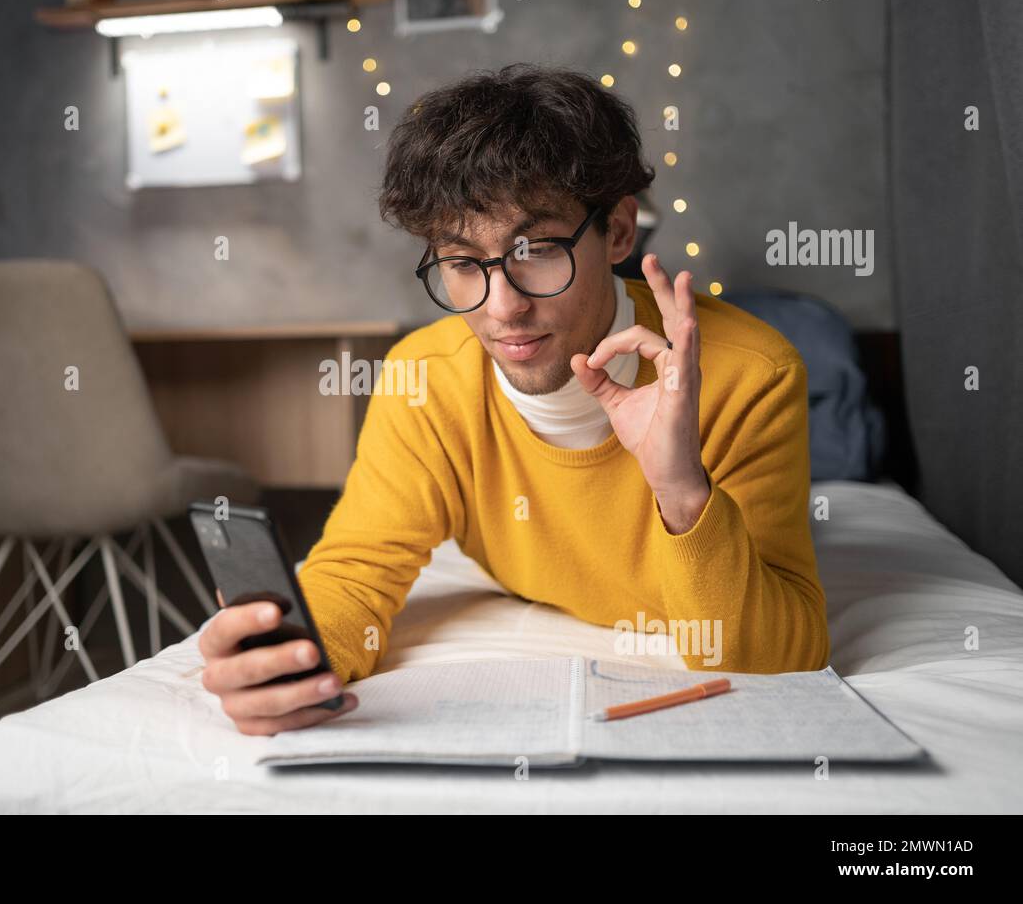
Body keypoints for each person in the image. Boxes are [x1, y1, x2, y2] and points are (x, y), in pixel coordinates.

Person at [200, 63, 829, 736]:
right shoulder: (425, 378)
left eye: (536, 251)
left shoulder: (752, 374)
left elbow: (780, 663)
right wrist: (294, 660)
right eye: (465, 264)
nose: (504, 308)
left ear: (617, 232)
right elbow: (355, 572)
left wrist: (681, 490)